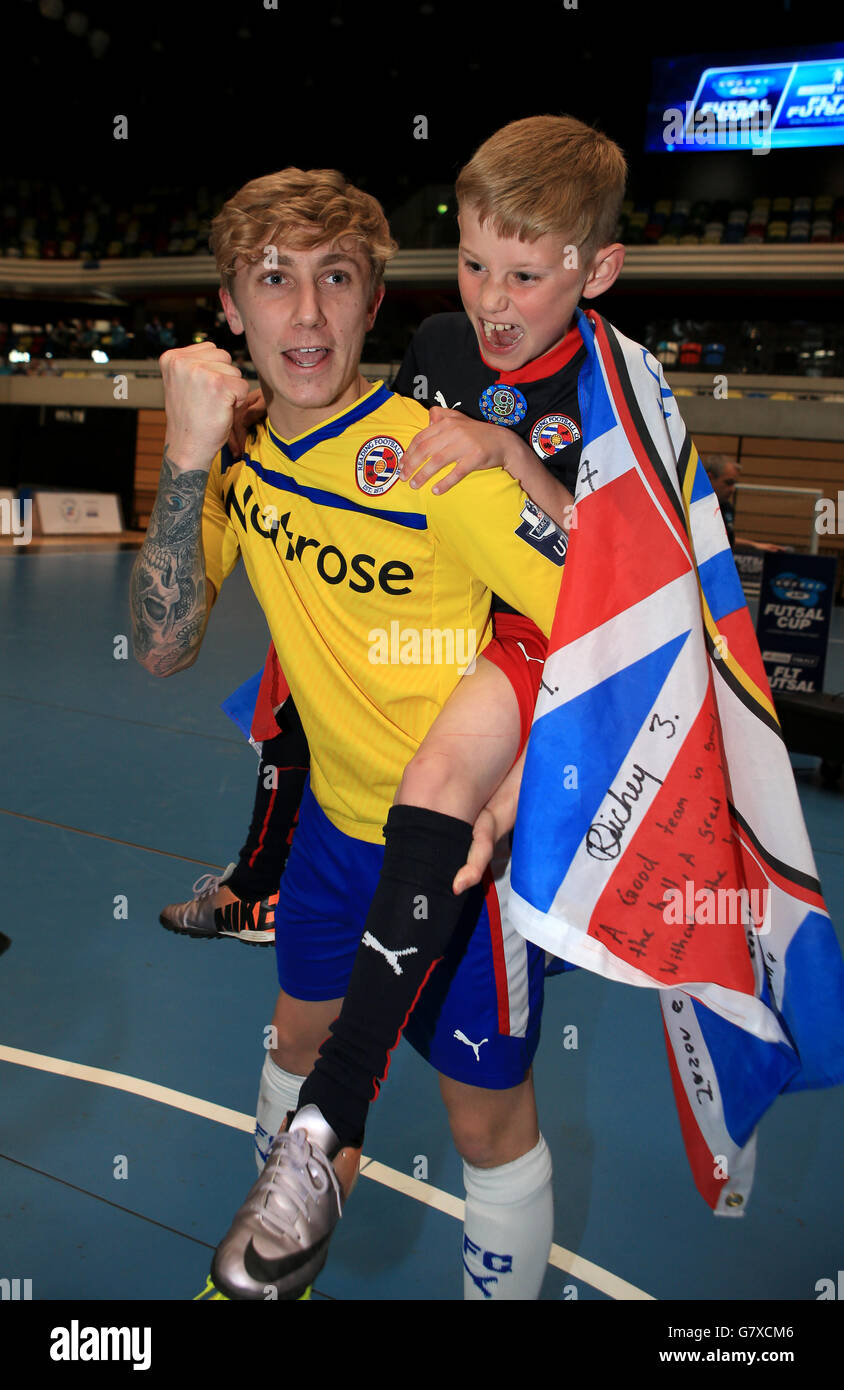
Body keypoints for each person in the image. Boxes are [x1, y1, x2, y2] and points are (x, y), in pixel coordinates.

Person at [152, 117, 628, 1300]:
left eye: (336, 281)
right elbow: (162, 644)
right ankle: (276, 1263)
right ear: (229, 308)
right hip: (330, 839)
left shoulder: (435, 462)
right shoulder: (234, 458)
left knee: (483, 1124)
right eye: (274, 283)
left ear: (375, 307)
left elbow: (614, 623)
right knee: (294, 1051)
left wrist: (522, 785)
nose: (305, 317)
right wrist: (180, 459)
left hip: (463, 862)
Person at [702, 453, 783, 552]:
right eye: (728, 483)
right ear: (709, 478)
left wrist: (755, 545)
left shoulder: (727, 508)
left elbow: (725, 541)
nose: (732, 489)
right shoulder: (694, 508)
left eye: (734, 484)